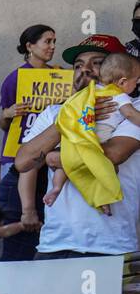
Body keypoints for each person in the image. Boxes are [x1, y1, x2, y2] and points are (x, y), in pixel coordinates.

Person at [13, 34, 140, 259]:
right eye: (78, 65)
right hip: (54, 244)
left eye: (97, 63)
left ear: (119, 72)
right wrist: (71, 120)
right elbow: (23, 162)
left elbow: (113, 155)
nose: (85, 69)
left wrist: (52, 158)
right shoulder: (55, 113)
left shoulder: (131, 110)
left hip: (110, 245)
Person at [43, 52, 140, 210]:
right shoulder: (118, 94)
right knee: (109, 169)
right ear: (122, 81)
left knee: (63, 166)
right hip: (96, 143)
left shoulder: (88, 92)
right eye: (136, 82)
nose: (137, 86)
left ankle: (56, 187)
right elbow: (129, 113)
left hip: (74, 140)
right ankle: (104, 201)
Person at [0, 25, 57, 261]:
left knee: (42, 216)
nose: (52, 46)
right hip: (16, 156)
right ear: (30, 46)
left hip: (46, 158)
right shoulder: (15, 78)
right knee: (16, 217)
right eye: (47, 41)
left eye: (53, 41)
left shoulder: (59, 75)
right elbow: (3, 124)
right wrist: (7, 114)